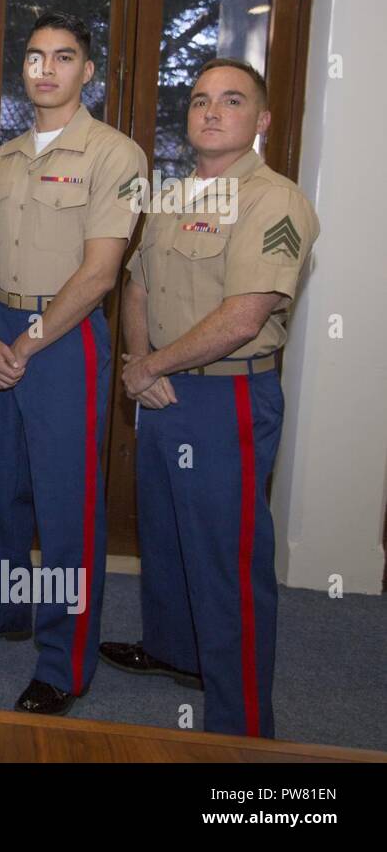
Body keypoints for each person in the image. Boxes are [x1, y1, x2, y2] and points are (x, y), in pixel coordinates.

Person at [0, 12, 147, 716]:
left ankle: (64, 660)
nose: (46, 68)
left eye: (63, 57)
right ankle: (2, 610)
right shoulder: (1, 159)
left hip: (64, 339)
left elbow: (100, 272)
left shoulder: (116, 155)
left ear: (88, 71)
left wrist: (25, 343)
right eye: (34, 57)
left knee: (66, 507)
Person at [101, 59, 318, 738]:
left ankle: (241, 722)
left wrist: (146, 368)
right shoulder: (174, 194)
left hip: (227, 401)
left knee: (226, 559)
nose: (211, 111)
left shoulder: (274, 201)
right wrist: (140, 363)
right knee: (164, 538)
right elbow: (135, 286)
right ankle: (176, 651)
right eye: (199, 100)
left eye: (231, 101)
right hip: (164, 389)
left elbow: (244, 317)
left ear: (262, 121)